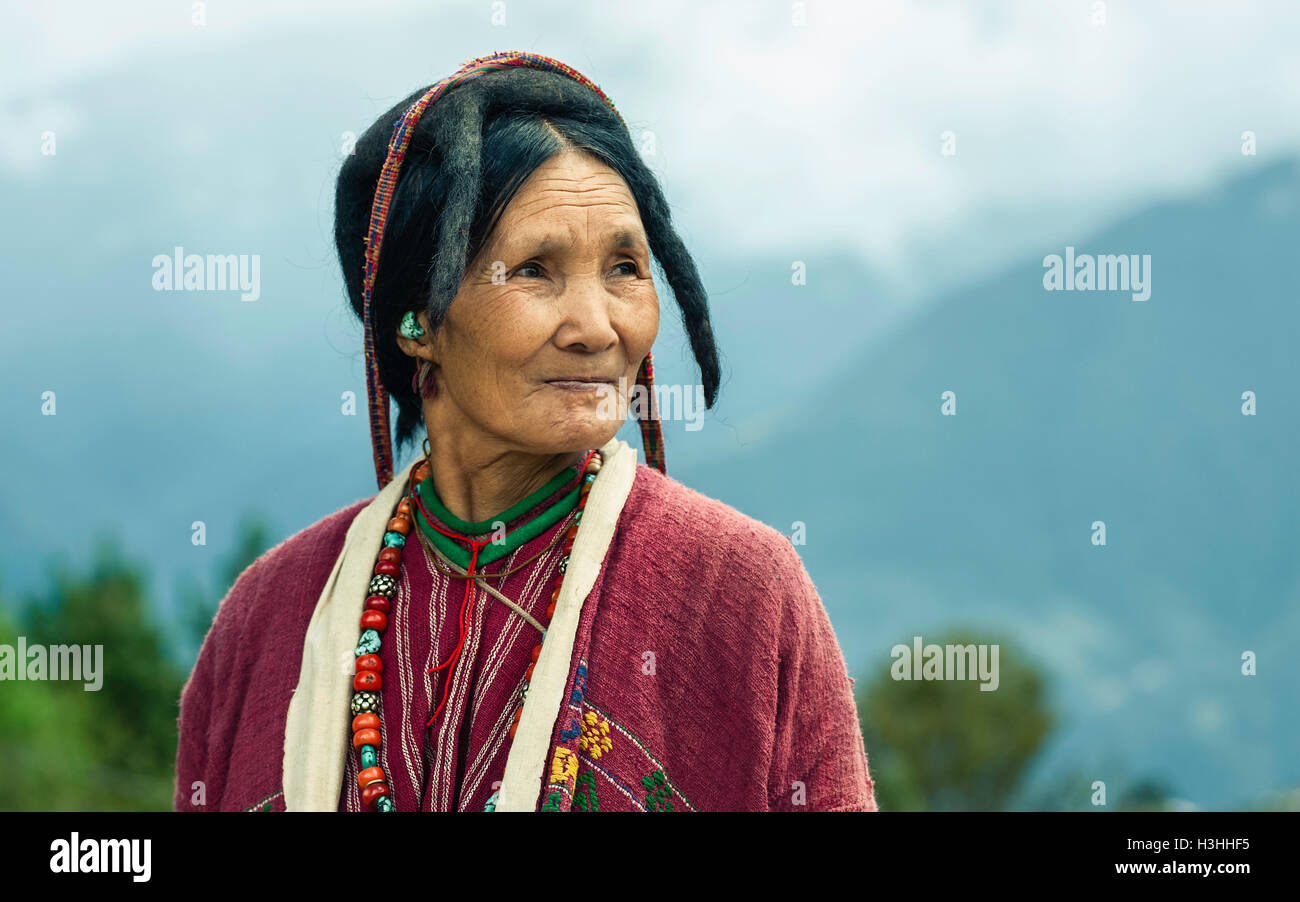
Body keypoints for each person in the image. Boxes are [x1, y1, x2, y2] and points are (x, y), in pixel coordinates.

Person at [174, 51, 876, 812]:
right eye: (535, 270)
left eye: (625, 268)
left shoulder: (736, 593)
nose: (597, 326)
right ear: (417, 322)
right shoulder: (269, 616)